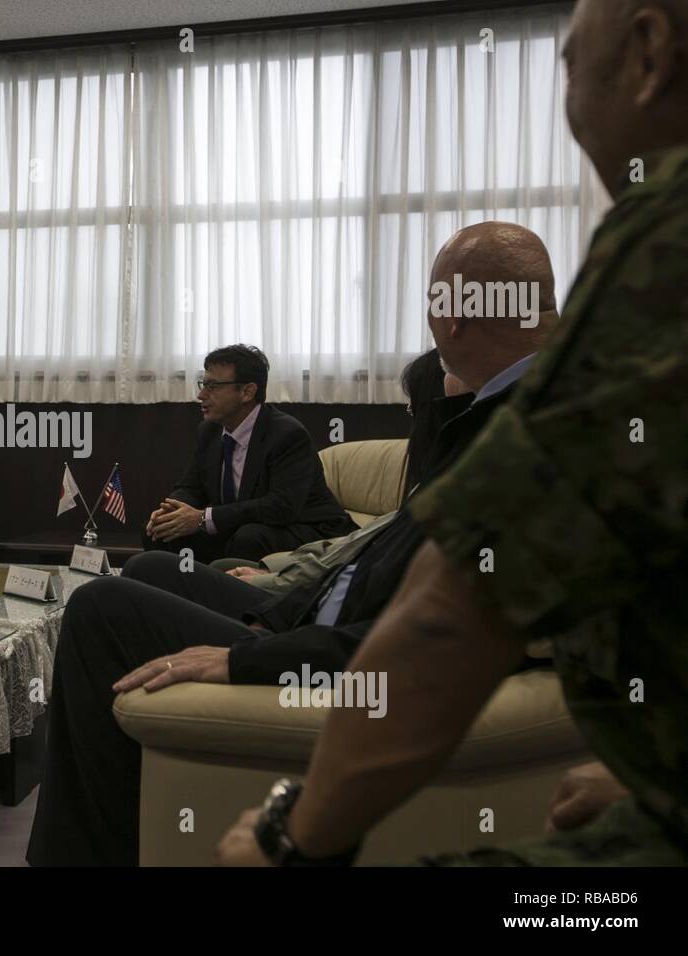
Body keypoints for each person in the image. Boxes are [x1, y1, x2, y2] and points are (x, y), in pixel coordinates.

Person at [215, 0, 688, 867]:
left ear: (649, 50)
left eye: (568, 56)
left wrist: (294, 835)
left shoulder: (665, 244)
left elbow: (453, 613)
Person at [26, 222, 558, 866]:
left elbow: (436, 638)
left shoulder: (532, 445)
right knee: (155, 566)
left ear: (452, 319)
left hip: (329, 647)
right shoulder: (506, 415)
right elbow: (404, 539)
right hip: (310, 610)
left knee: (99, 607)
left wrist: (249, 658)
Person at [215, 350, 467, 596]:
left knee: (219, 569)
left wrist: (277, 579)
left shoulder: (450, 495)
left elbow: (364, 560)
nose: (202, 394)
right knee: (216, 564)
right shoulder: (429, 486)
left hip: (324, 600)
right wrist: (277, 568)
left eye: (414, 410)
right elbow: (359, 541)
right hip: (317, 575)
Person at [143, 345, 356, 563]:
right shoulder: (209, 431)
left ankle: (229, 595)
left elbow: (280, 507)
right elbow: (191, 487)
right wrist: (170, 511)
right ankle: (180, 595)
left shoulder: (287, 435)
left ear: (247, 392)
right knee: (160, 533)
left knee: (249, 538)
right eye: (203, 384)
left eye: (212, 386)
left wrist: (202, 518)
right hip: (241, 525)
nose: (201, 395)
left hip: (306, 528)